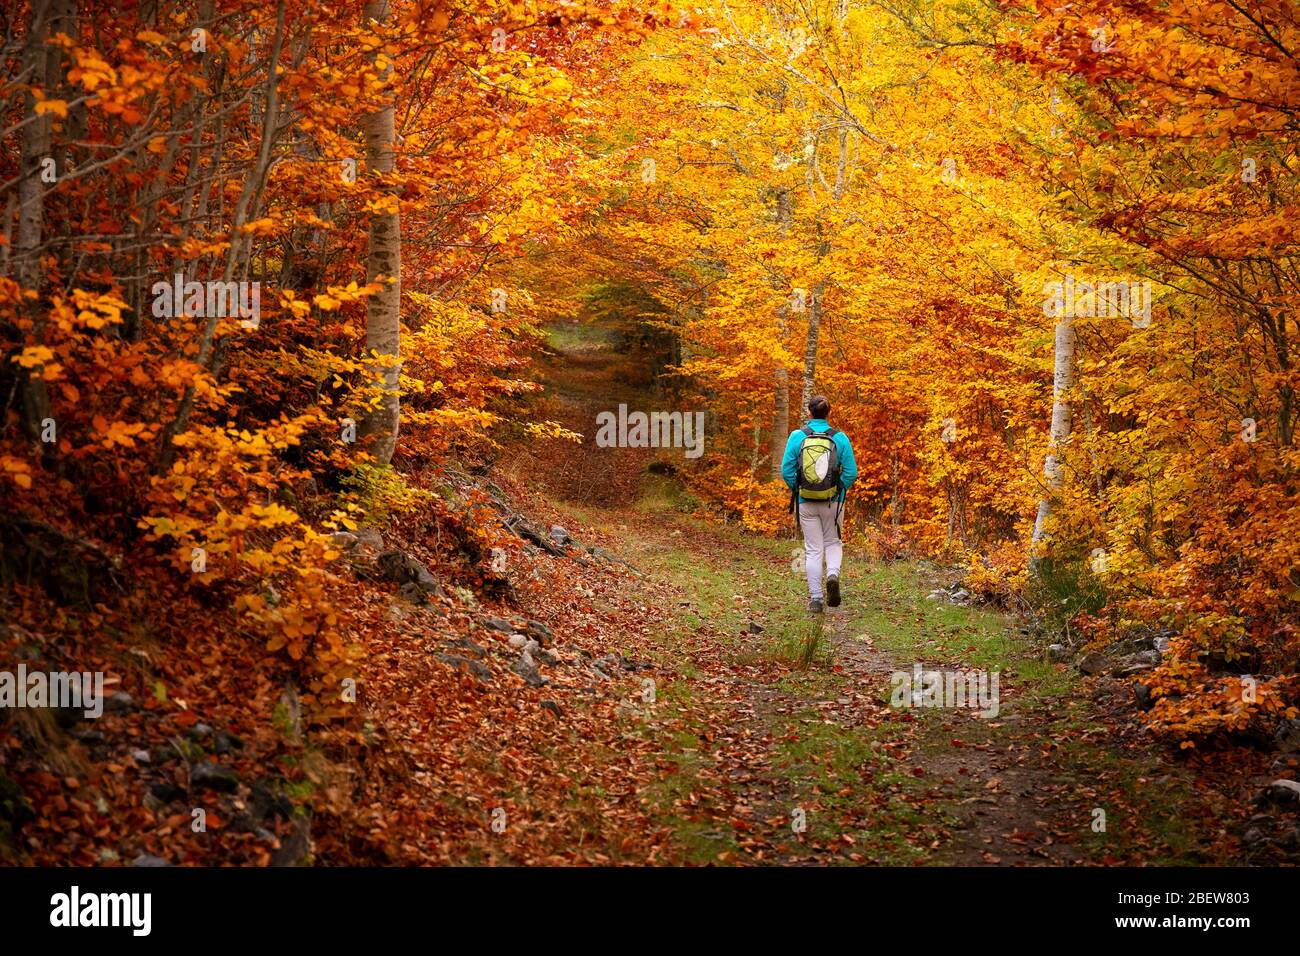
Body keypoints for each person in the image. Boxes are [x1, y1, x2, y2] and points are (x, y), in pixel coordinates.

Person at [781, 395, 858, 613]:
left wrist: (798, 490)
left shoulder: (797, 436)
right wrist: (837, 491)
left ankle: (816, 599)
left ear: (809, 412)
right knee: (833, 542)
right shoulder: (840, 438)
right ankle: (832, 573)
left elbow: (786, 470)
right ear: (829, 413)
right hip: (833, 503)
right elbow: (851, 472)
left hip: (806, 501)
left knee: (813, 549)